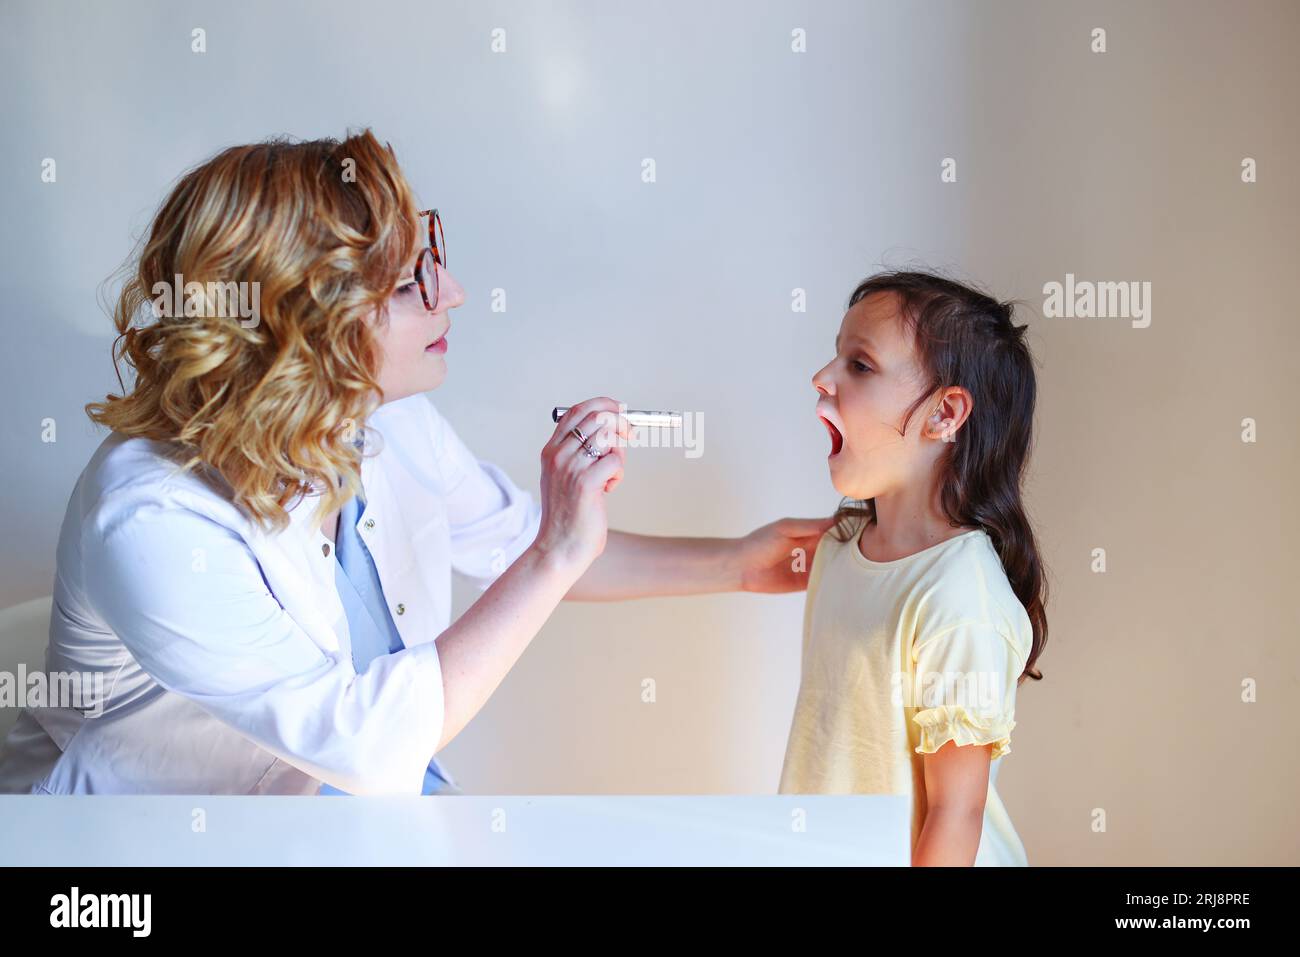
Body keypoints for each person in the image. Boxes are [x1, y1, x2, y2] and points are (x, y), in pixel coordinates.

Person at [0, 129, 833, 795]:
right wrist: (555, 553)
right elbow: (362, 742)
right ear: (300, 324)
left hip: (340, 810)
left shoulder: (388, 423)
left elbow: (519, 544)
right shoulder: (151, 517)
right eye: (409, 286)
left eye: (431, 259)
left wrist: (745, 561)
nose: (454, 293)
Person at [777, 271, 1049, 865]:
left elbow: (957, 811)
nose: (822, 378)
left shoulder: (959, 596)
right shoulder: (840, 551)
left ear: (945, 413)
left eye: (860, 365)